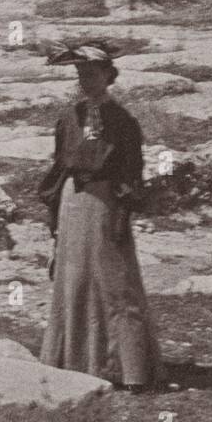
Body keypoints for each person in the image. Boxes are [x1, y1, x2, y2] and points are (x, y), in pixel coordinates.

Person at [37, 40, 160, 390]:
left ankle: (128, 369)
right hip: (72, 202)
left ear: (109, 75)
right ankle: (72, 360)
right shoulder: (68, 116)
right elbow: (60, 162)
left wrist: (122, 211)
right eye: (80, 73)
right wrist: (54, 211)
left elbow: (131, 171)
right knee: (73, 278)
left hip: (105, 202)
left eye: (92, 73)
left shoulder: (123, 121)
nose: (86, 79)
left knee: (113, 279)